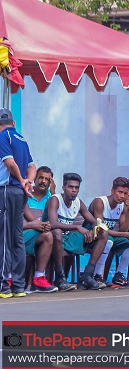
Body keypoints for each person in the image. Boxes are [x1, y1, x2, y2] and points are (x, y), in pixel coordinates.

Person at [44, 172, 109, 291]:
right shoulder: (55, 199)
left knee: (103, 234)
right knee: (58, 232)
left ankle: (87, 275)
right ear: (63, 188)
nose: (74, 190)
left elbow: (94, 221)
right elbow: (53, 224)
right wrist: (77, 227)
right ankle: (59, 278)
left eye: (76, 187)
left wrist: (93, 229)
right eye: (70, 187)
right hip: (51, 238)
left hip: (69, 237)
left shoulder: (78, 202)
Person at [0, 108, 35, 298]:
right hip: (19, 192)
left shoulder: (2, 137)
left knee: (4, 238)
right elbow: (32, 166)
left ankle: (4, 286)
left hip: (6, 189)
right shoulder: (21, 139)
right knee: (17, 238)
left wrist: (21, 180)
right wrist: (28, 181)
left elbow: (10, 163)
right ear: (13, 123)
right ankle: (19, 286)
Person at [22, 166, 75, 293]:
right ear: (34, 179)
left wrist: (53, 192)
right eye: (40, 178)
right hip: (23, 233)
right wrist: (36, 224)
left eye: (47, 179)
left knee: (50, 235)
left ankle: (40, 278)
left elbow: (52, 221)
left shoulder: (52, 198)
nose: (43, 181)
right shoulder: (25, 194)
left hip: (41, 233)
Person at [90, 177, 129, 288]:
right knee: (108, 240)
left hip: (109, 236)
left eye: (125, 193)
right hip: (92, 237)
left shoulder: (122, 205)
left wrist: (126, 210)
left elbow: (123, 230)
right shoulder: (100, 202)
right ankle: (96, 276)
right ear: (112, 191)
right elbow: (101, 230)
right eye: (119, 192)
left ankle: (119, 275)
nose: (122, 196)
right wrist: (126, 234)